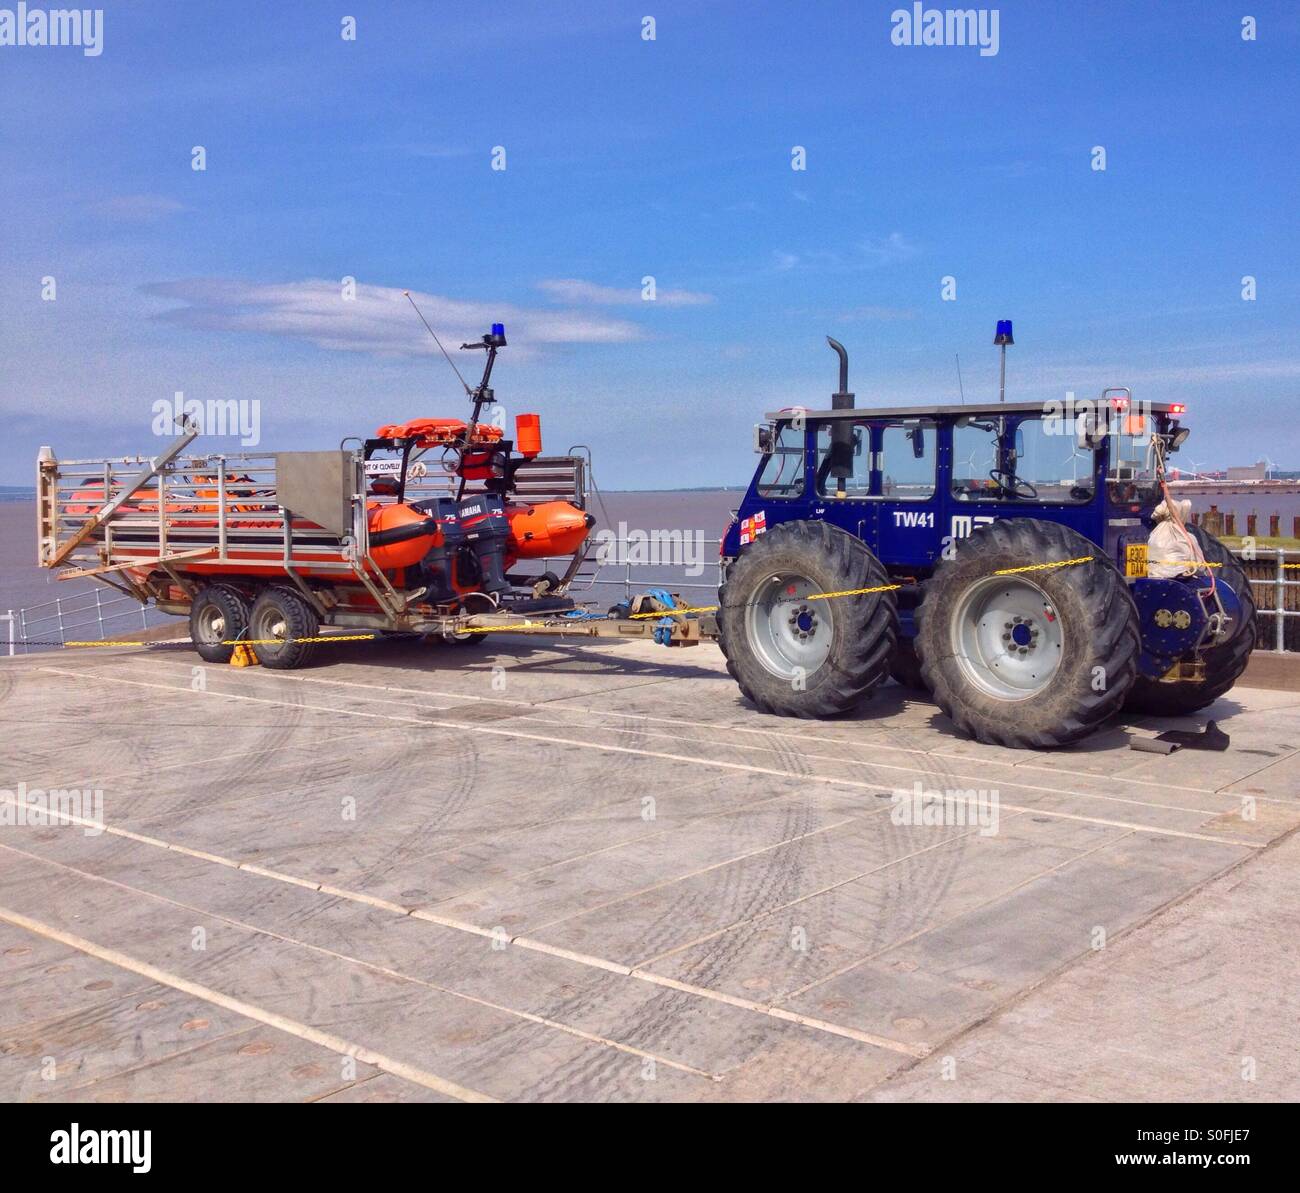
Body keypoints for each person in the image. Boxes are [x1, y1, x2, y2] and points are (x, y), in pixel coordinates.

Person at [1147, 498, 1207, 580]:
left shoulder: (1156, 534)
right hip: (1182, 574)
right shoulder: (1185, 535)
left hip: (1157, 575)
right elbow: (1200, 564)